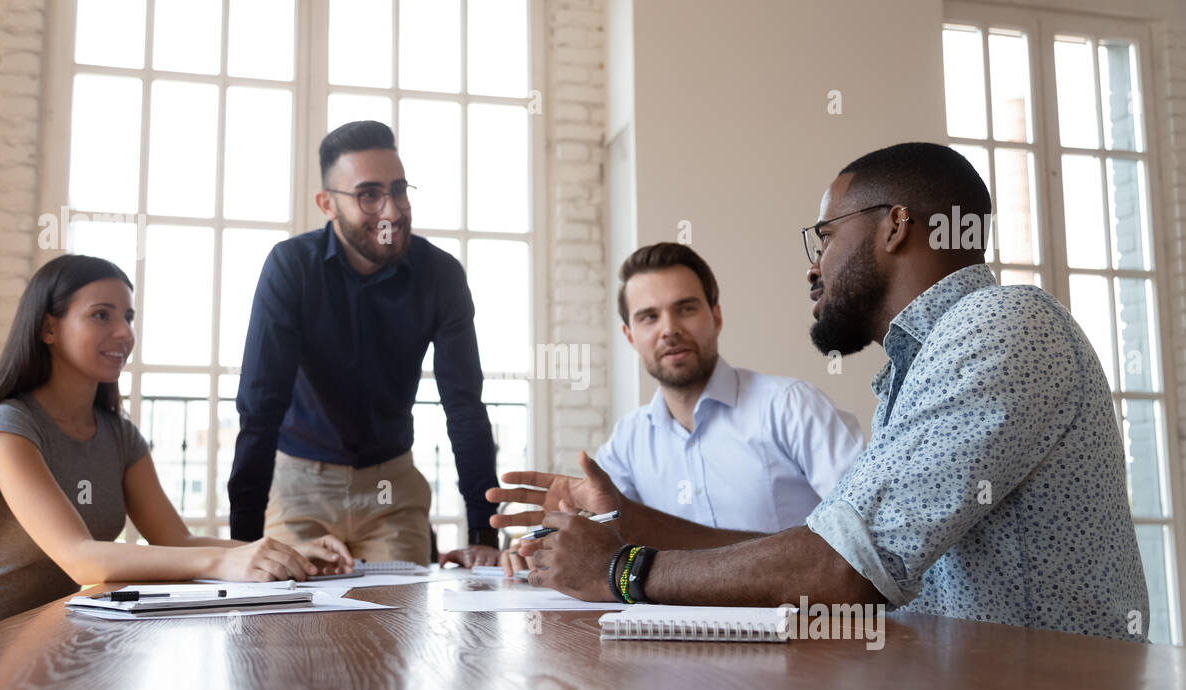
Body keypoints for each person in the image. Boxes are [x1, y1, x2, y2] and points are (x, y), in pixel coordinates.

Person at [489, 142, 1150, 643]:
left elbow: (841, 569)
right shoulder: (922, 364)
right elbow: (823, 545)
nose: (813, 265)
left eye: (826, 237)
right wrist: (627, 522)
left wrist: (625, 568)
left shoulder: (1002, 325)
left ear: (894, 226)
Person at [0, 255, 352, 658]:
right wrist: (223, 562)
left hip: (38, 643)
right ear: (48, 328)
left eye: (128, 317)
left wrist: (284, 553)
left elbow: (176, 540)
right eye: (102, 315)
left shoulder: (120, 436)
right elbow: (79, 558)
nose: (124, 333)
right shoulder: (8, 426)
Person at [228, 120, 501, 569]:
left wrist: (483, 531)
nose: (392, 211)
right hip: (299, 486)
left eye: (399, 189)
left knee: (396, 626)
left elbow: (465, 404)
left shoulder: (441, 275)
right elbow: (260, 407)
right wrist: (242, 544)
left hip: (390, 488)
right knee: (283, 627)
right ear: (327, 204)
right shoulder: (291, 267)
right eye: (370, 195)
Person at [595, 242, 863, 532]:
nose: (669, 329)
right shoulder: (626, 443)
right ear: (630, 336)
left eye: (685, 309)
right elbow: (607, 540)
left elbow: (869, 528)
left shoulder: (792, 407)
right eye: (649, 317)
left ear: (716, 317)